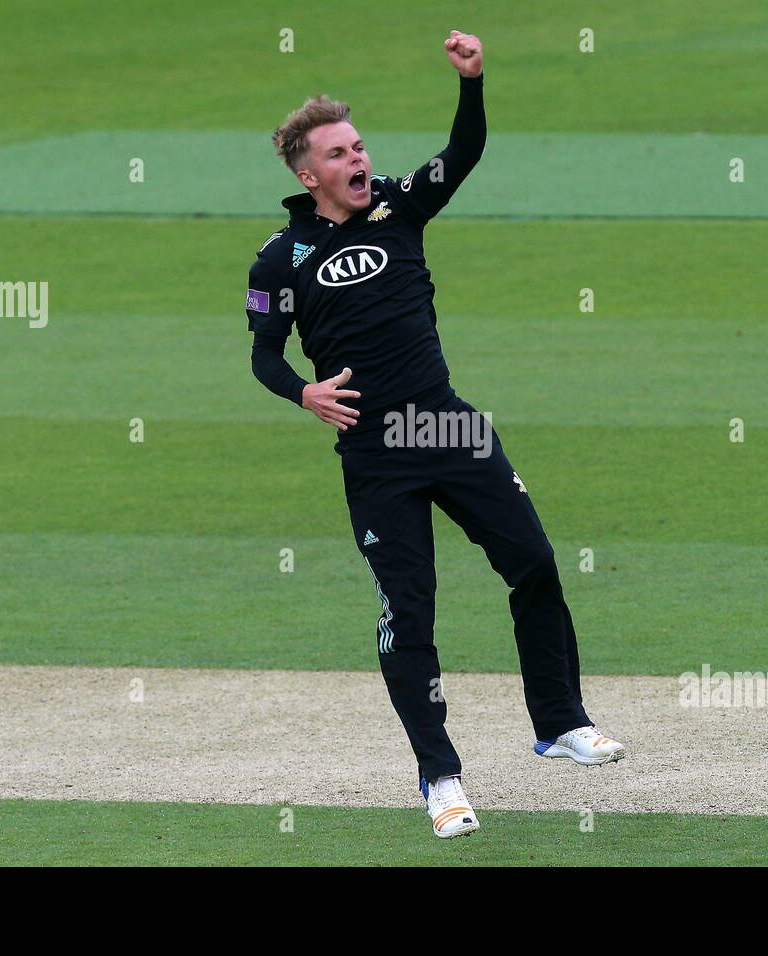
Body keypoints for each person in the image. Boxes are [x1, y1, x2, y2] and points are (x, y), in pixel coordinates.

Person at [245, 31, 625, 839]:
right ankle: (440, 778)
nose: (358, 159)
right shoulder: (279, 260)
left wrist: (474, 82)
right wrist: (302, 392)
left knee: (534, 562)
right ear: (307, 174)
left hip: (445, 421)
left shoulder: (399, 205)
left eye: (360, 145)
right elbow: (263, 357)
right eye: (340, 153)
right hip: (376, 457)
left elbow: (465, 150)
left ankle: (560, 722)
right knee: (408, 615)